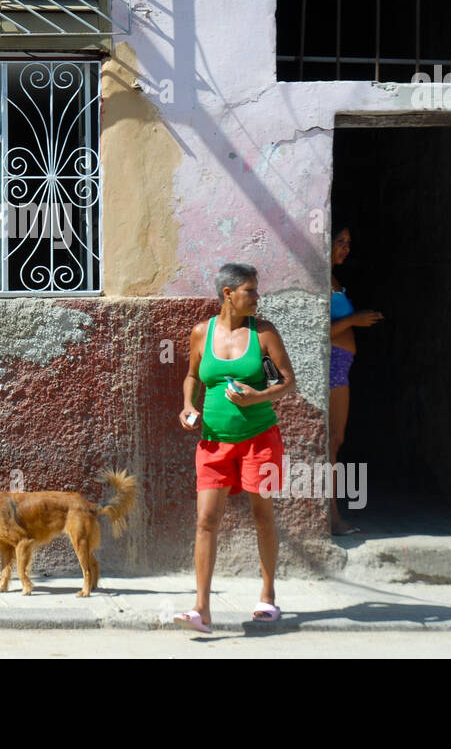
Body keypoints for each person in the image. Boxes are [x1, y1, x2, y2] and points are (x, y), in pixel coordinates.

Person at [173, 262, 297, 632]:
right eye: (251, 290)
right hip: (212, 444)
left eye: (257, 290)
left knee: (262, 517)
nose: (257, 297)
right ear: (228, 294)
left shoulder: (264, 334)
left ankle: (268, 596)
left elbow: (288, 383)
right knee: (205, 522)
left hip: (259, 440)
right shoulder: (201, 332)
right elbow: (193, 375)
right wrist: (188, 406)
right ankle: (201, 609)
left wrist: (258, 395)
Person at [329, 226, 383, 535]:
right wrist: (354, 320)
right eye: (340, 241)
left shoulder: (335, 279)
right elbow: (320, 331)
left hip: (342, 364)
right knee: (332, 442)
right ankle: (333, 517)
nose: (346, 248)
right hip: (335, 364)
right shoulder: (321, 279)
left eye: (349, 243)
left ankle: (333, 514)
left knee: (335, 440)